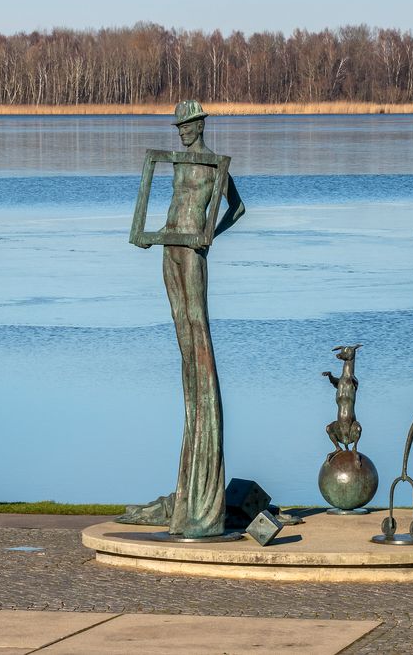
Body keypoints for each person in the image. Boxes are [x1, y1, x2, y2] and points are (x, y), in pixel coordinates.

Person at [131, 100, 245, 538]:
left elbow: (235, 208)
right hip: (169, 247)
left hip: (193, 251)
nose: (181, 132)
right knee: (183, 338)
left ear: (200, 125)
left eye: (187, 125)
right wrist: (151, 237)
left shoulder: (215, 165)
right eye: (178, 126)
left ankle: (201, 497)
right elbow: (166, 198)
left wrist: (209, 235)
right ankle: (184, 493)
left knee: (197, 335)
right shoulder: (177, 162)